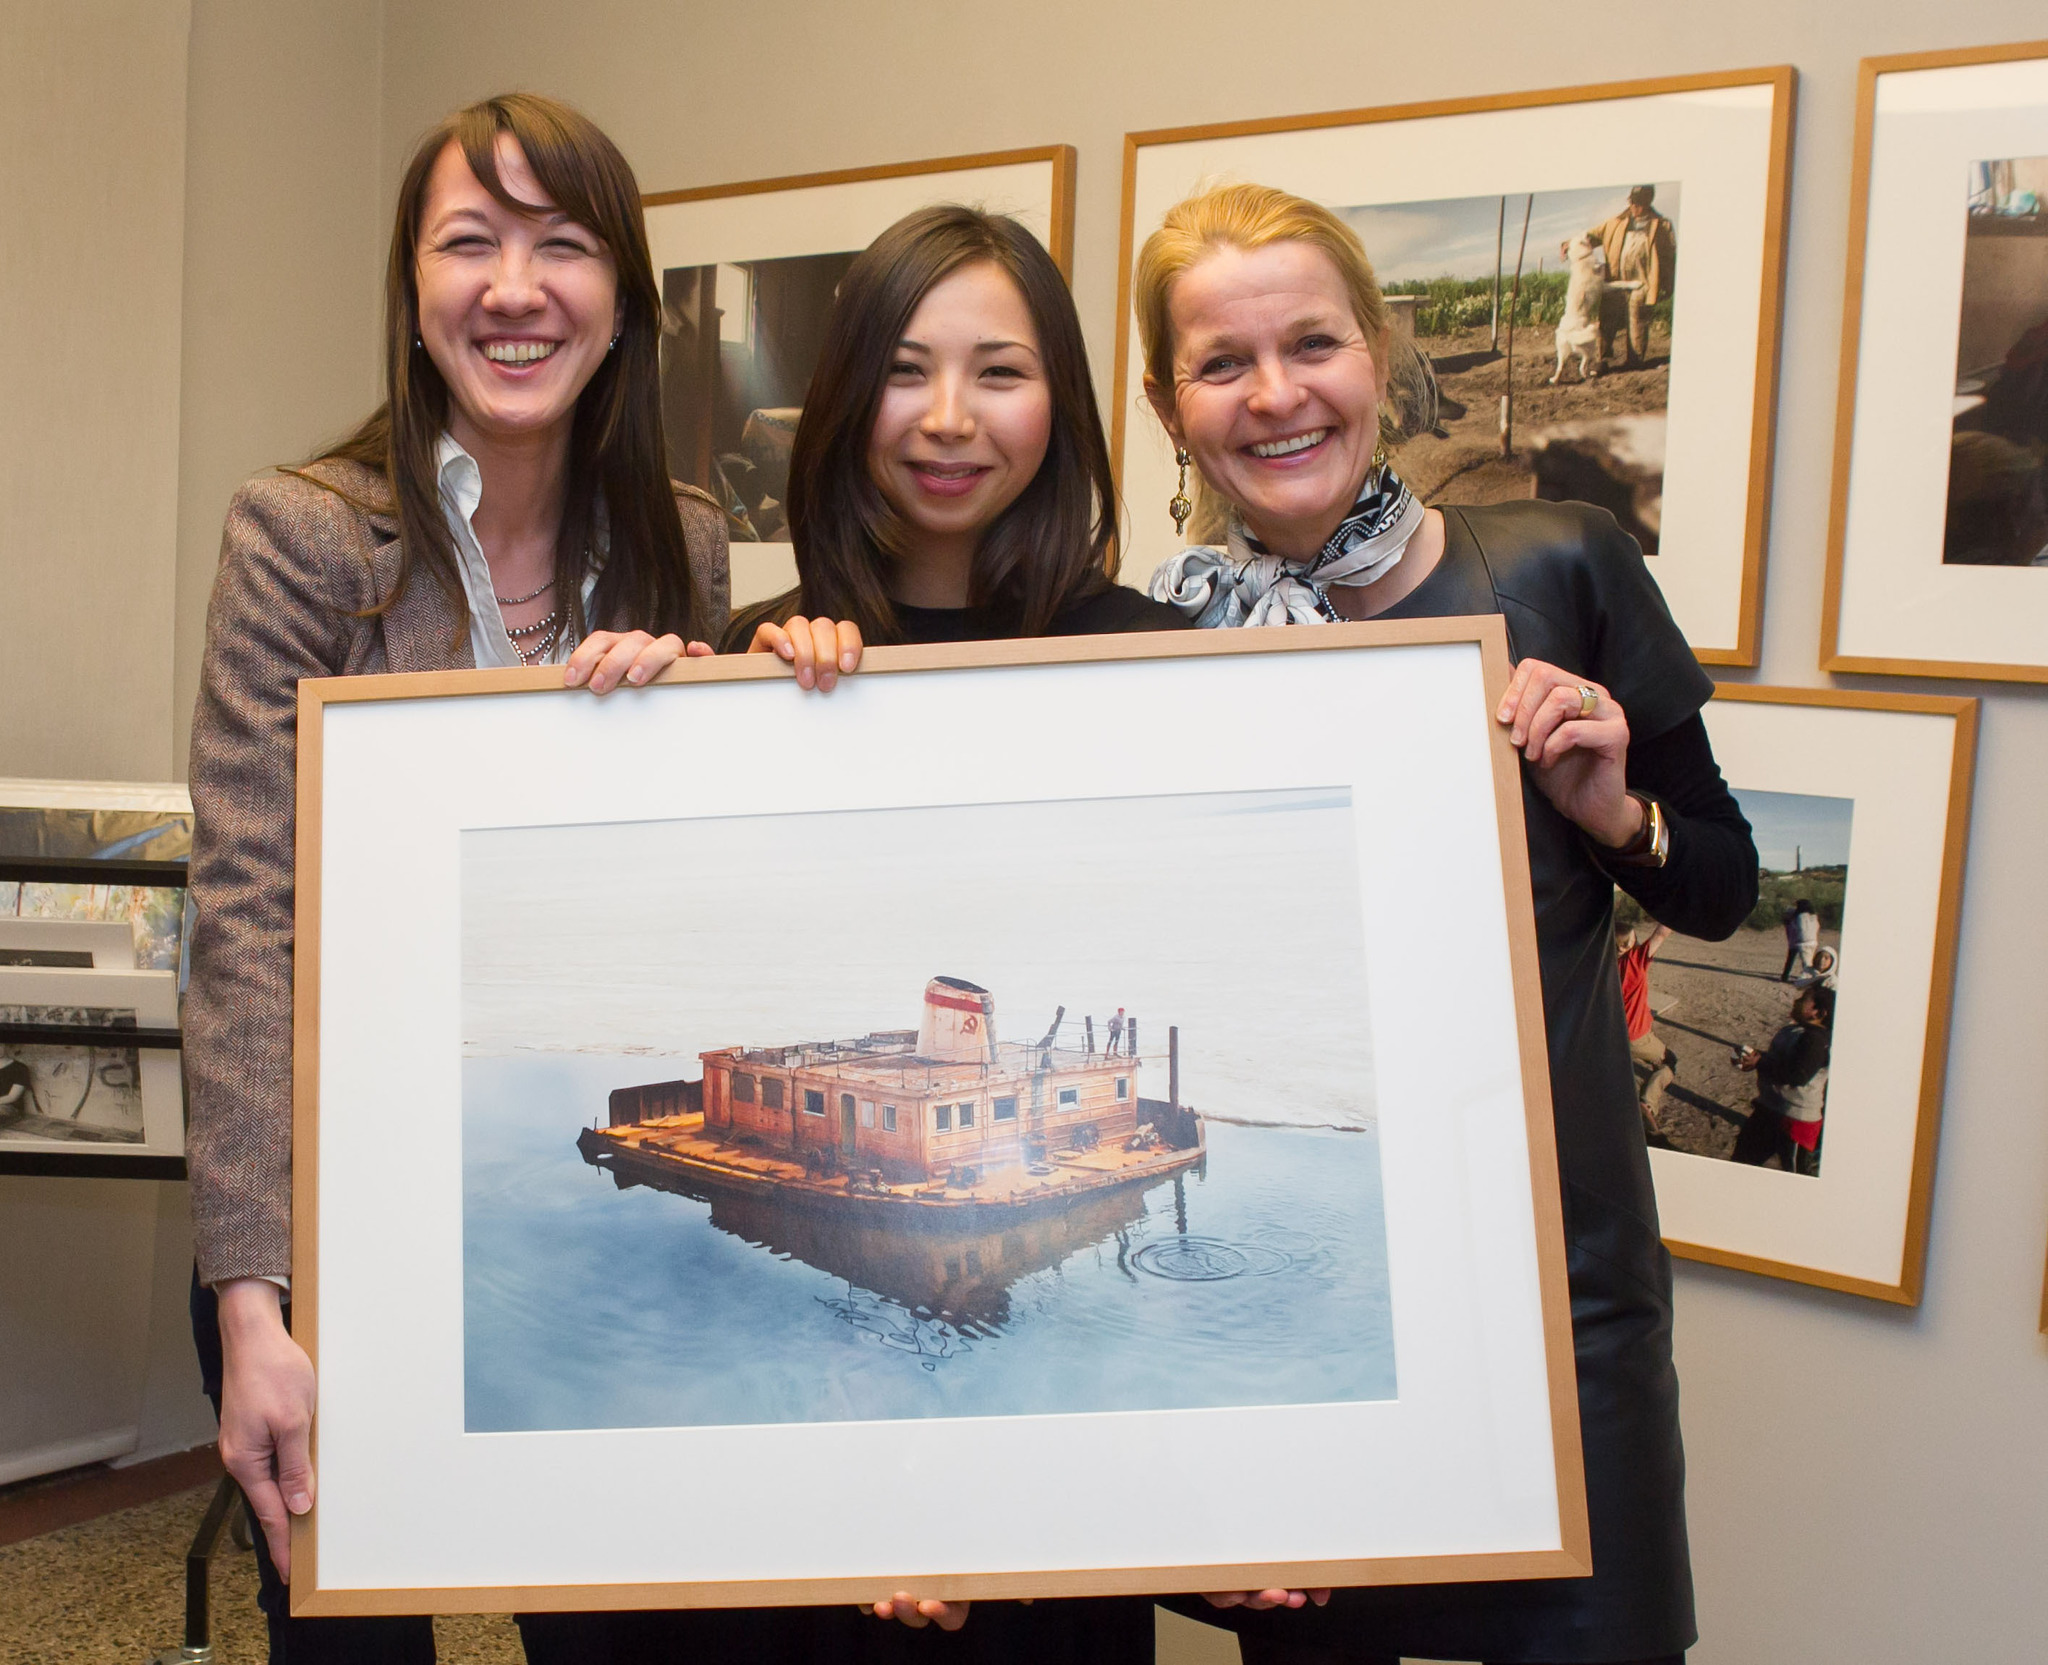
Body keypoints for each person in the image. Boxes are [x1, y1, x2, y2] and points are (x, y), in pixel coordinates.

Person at [1134, 181, 1757, 1665]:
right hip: (1301, 1314)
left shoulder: (1559, 564)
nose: (1276, 394)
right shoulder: (1143, 642)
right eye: (1223, 363)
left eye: (1314, 343)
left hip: (1564, 1315)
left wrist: (1613, 813)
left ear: (1380, 357)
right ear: (1171, 407)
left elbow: (1721, 880)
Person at [183, 92, 731, 1665]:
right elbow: (250, 921)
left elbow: (686, 887)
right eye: (468, 242)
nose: (513, 289)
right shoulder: (301, 535)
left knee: (627, 1622)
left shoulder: (682, 545)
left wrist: (709, 714)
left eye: (561, 247)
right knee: (353, 1632)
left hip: (566, 1189)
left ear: (622, 298)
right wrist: (250, 1301)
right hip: (330, 1205)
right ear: (412, 289)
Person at [715, 203, 1184, 1662]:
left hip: (1061, 1490)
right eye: (906, 371)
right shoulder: (746, 666)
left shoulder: (1160, 668)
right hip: (798, 1481)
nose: (947, 419)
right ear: (847, 399)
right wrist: (677, 691)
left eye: (1000, 371)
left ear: (1065, 403)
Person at [1731, 984, 1833, 1176]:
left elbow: (1798, 1075)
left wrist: (1761, 1062)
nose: (1796, 1001)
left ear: (1818, 1012)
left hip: (1795, 1121)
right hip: (1770, 1109)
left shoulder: (1817, 1040)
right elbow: (1783, 1062)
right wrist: (1756, 1059)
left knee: (1797, 1175)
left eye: (1804, 1000)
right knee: (1741, 1160)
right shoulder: (1795, 1031)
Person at [1588, 185, 1676, 369]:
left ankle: (1634, 362)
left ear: (1648, 203)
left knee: (1638, 322)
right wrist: (1569, 244)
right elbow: (1590, 236)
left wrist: (1666, 285)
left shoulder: (1661, 225)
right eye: (1633, 203)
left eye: (1640, 204)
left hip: (1642, 284)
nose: (1635, 208)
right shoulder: (1615, 222)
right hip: (1615, 282)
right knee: (1606, 320)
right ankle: (1601, 360)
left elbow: (1670, 257)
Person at [1616, 919, 1677, 1128]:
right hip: (1637, 1035)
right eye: (1633, 938)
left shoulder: (1602, 964)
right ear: (1624, 946)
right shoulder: (1634, 960)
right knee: (1669, 1062)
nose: (1637, 940)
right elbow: (1661, 934)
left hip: (1614, 1036)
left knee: (1633, 1070)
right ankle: (1648, 1104)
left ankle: (1633, 1109)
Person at [1781, 898, 1819, 982]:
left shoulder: (1799, 916)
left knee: (1805, 963)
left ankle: (1810, 979)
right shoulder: (1814, 916)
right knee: (1810, 961)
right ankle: (1811, 977)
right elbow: (1817, 927)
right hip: (1813, 941)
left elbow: (1798, 928)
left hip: (1802, 942)